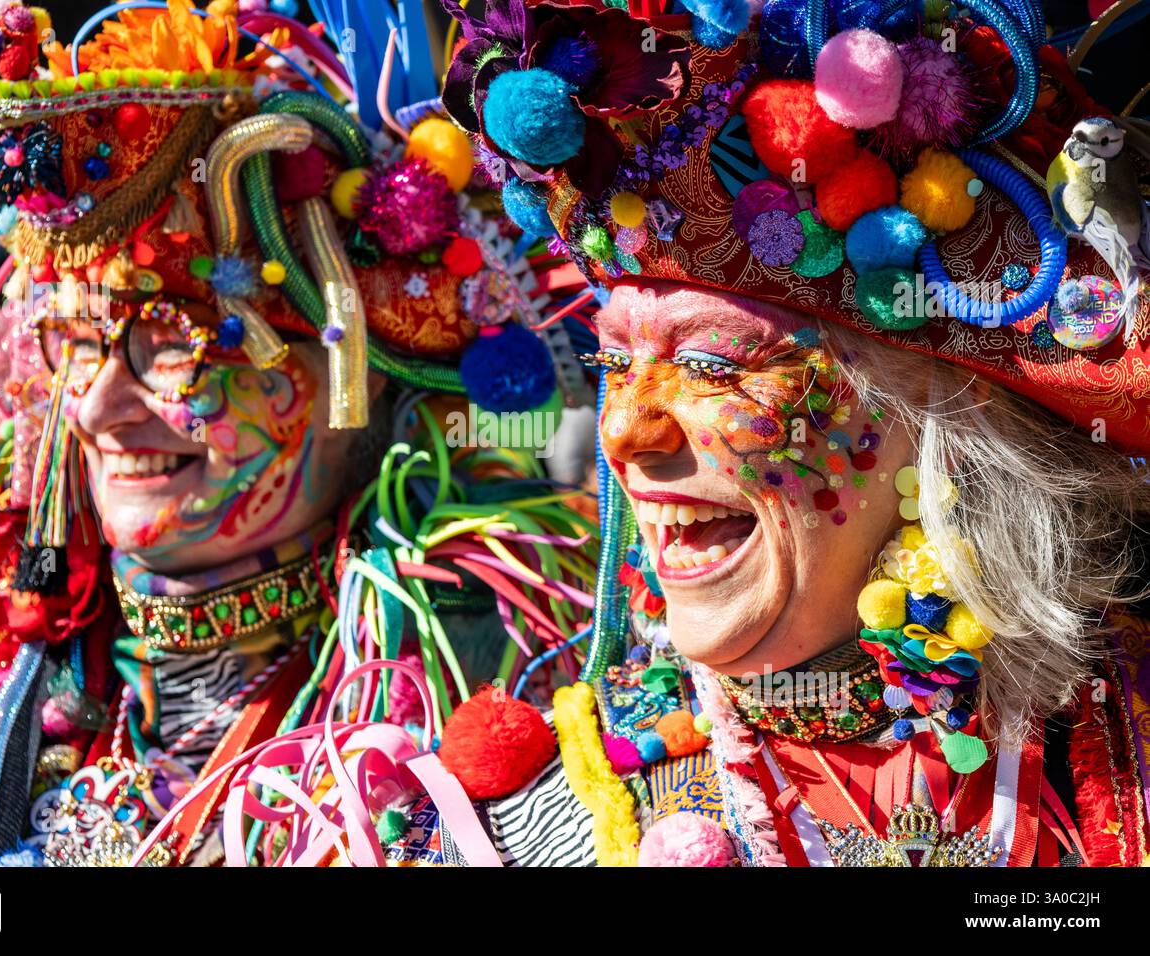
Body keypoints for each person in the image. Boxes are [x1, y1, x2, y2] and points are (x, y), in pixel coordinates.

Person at [0, 0, 597, 867]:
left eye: (173, 344)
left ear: (364, 355)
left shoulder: (500, 686)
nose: (94, 410)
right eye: (79, 342)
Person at [442, 0, 1150, 865]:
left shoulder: (1122, 745)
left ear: (944, 409)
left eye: (709, 364)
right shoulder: (543, 827)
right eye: (612, 364)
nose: (624, 430)